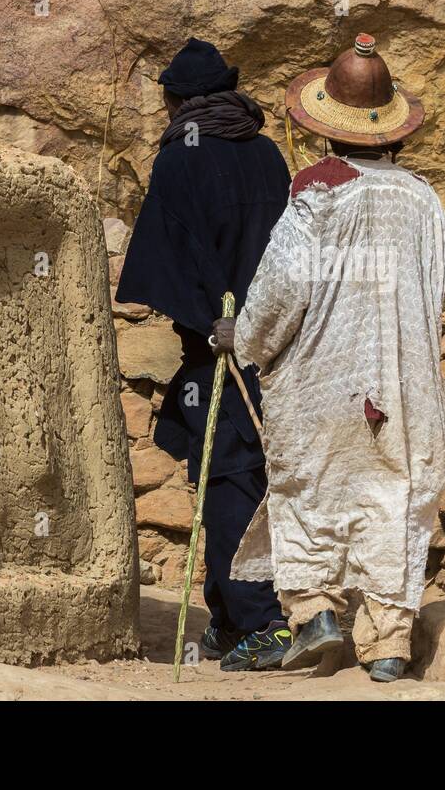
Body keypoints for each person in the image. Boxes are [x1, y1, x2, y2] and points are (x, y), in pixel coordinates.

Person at [214, 33, 445, 683]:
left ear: (327, 127)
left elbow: (277, 296)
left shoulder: (317, 189)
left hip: (325, 381)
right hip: (403, 385)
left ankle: (318, 614)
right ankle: (386, 647)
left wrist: (240, 336)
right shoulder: (422, 199)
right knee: (395, 504)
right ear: (391, 130)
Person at [115, 38, 293, 671]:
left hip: (220, 345)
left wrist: (211, 318)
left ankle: (261, 621)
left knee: (225, 477)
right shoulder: (268, 153)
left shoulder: (180, 159)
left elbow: (170, 257)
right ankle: (224, 613)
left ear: (177, 101)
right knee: (249, 471)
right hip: (278, 346)